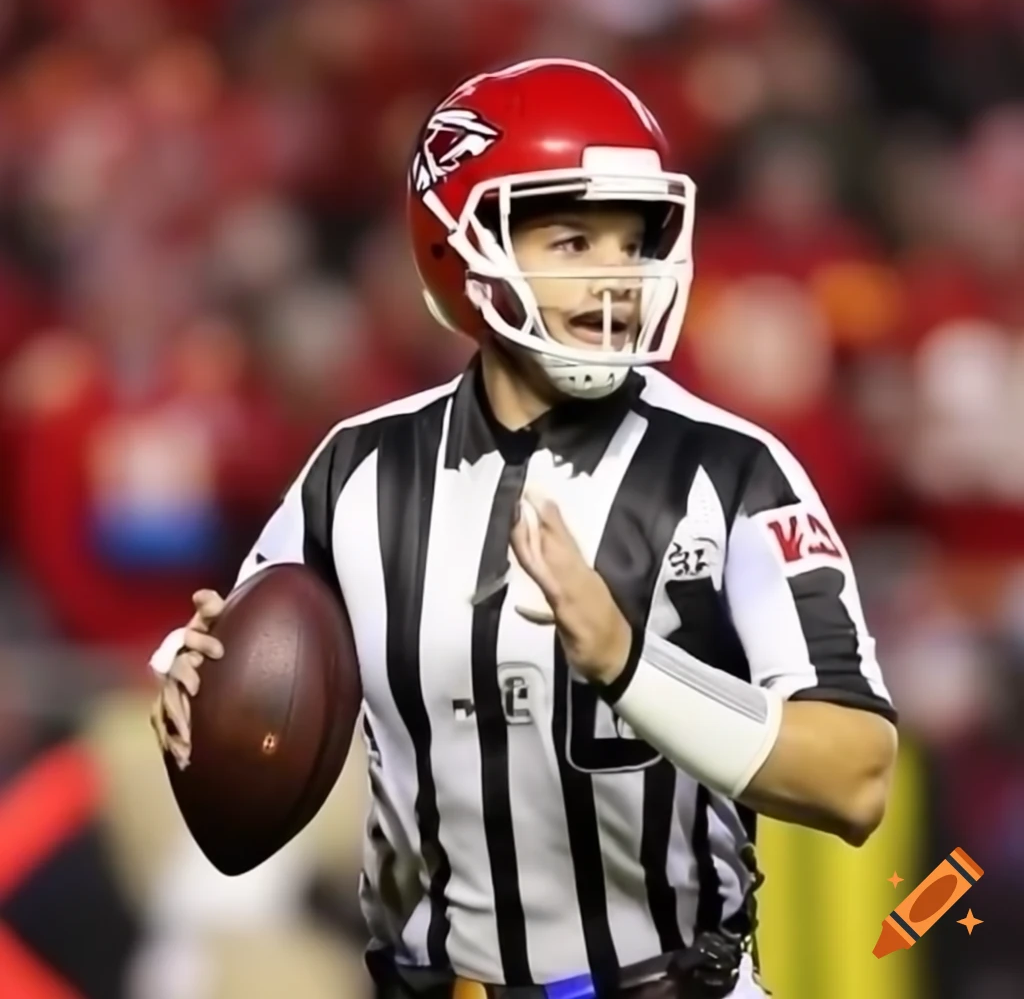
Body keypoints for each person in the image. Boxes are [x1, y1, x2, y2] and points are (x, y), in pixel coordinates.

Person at [149, 59, 899, 999]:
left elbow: (857, 779)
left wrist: (629, 665)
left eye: (632, 242)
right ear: (460, 246)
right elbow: (248, 667)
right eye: (574, 240)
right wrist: (191, 676)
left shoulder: (732, 471)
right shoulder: (358, 471)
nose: (616, 276)